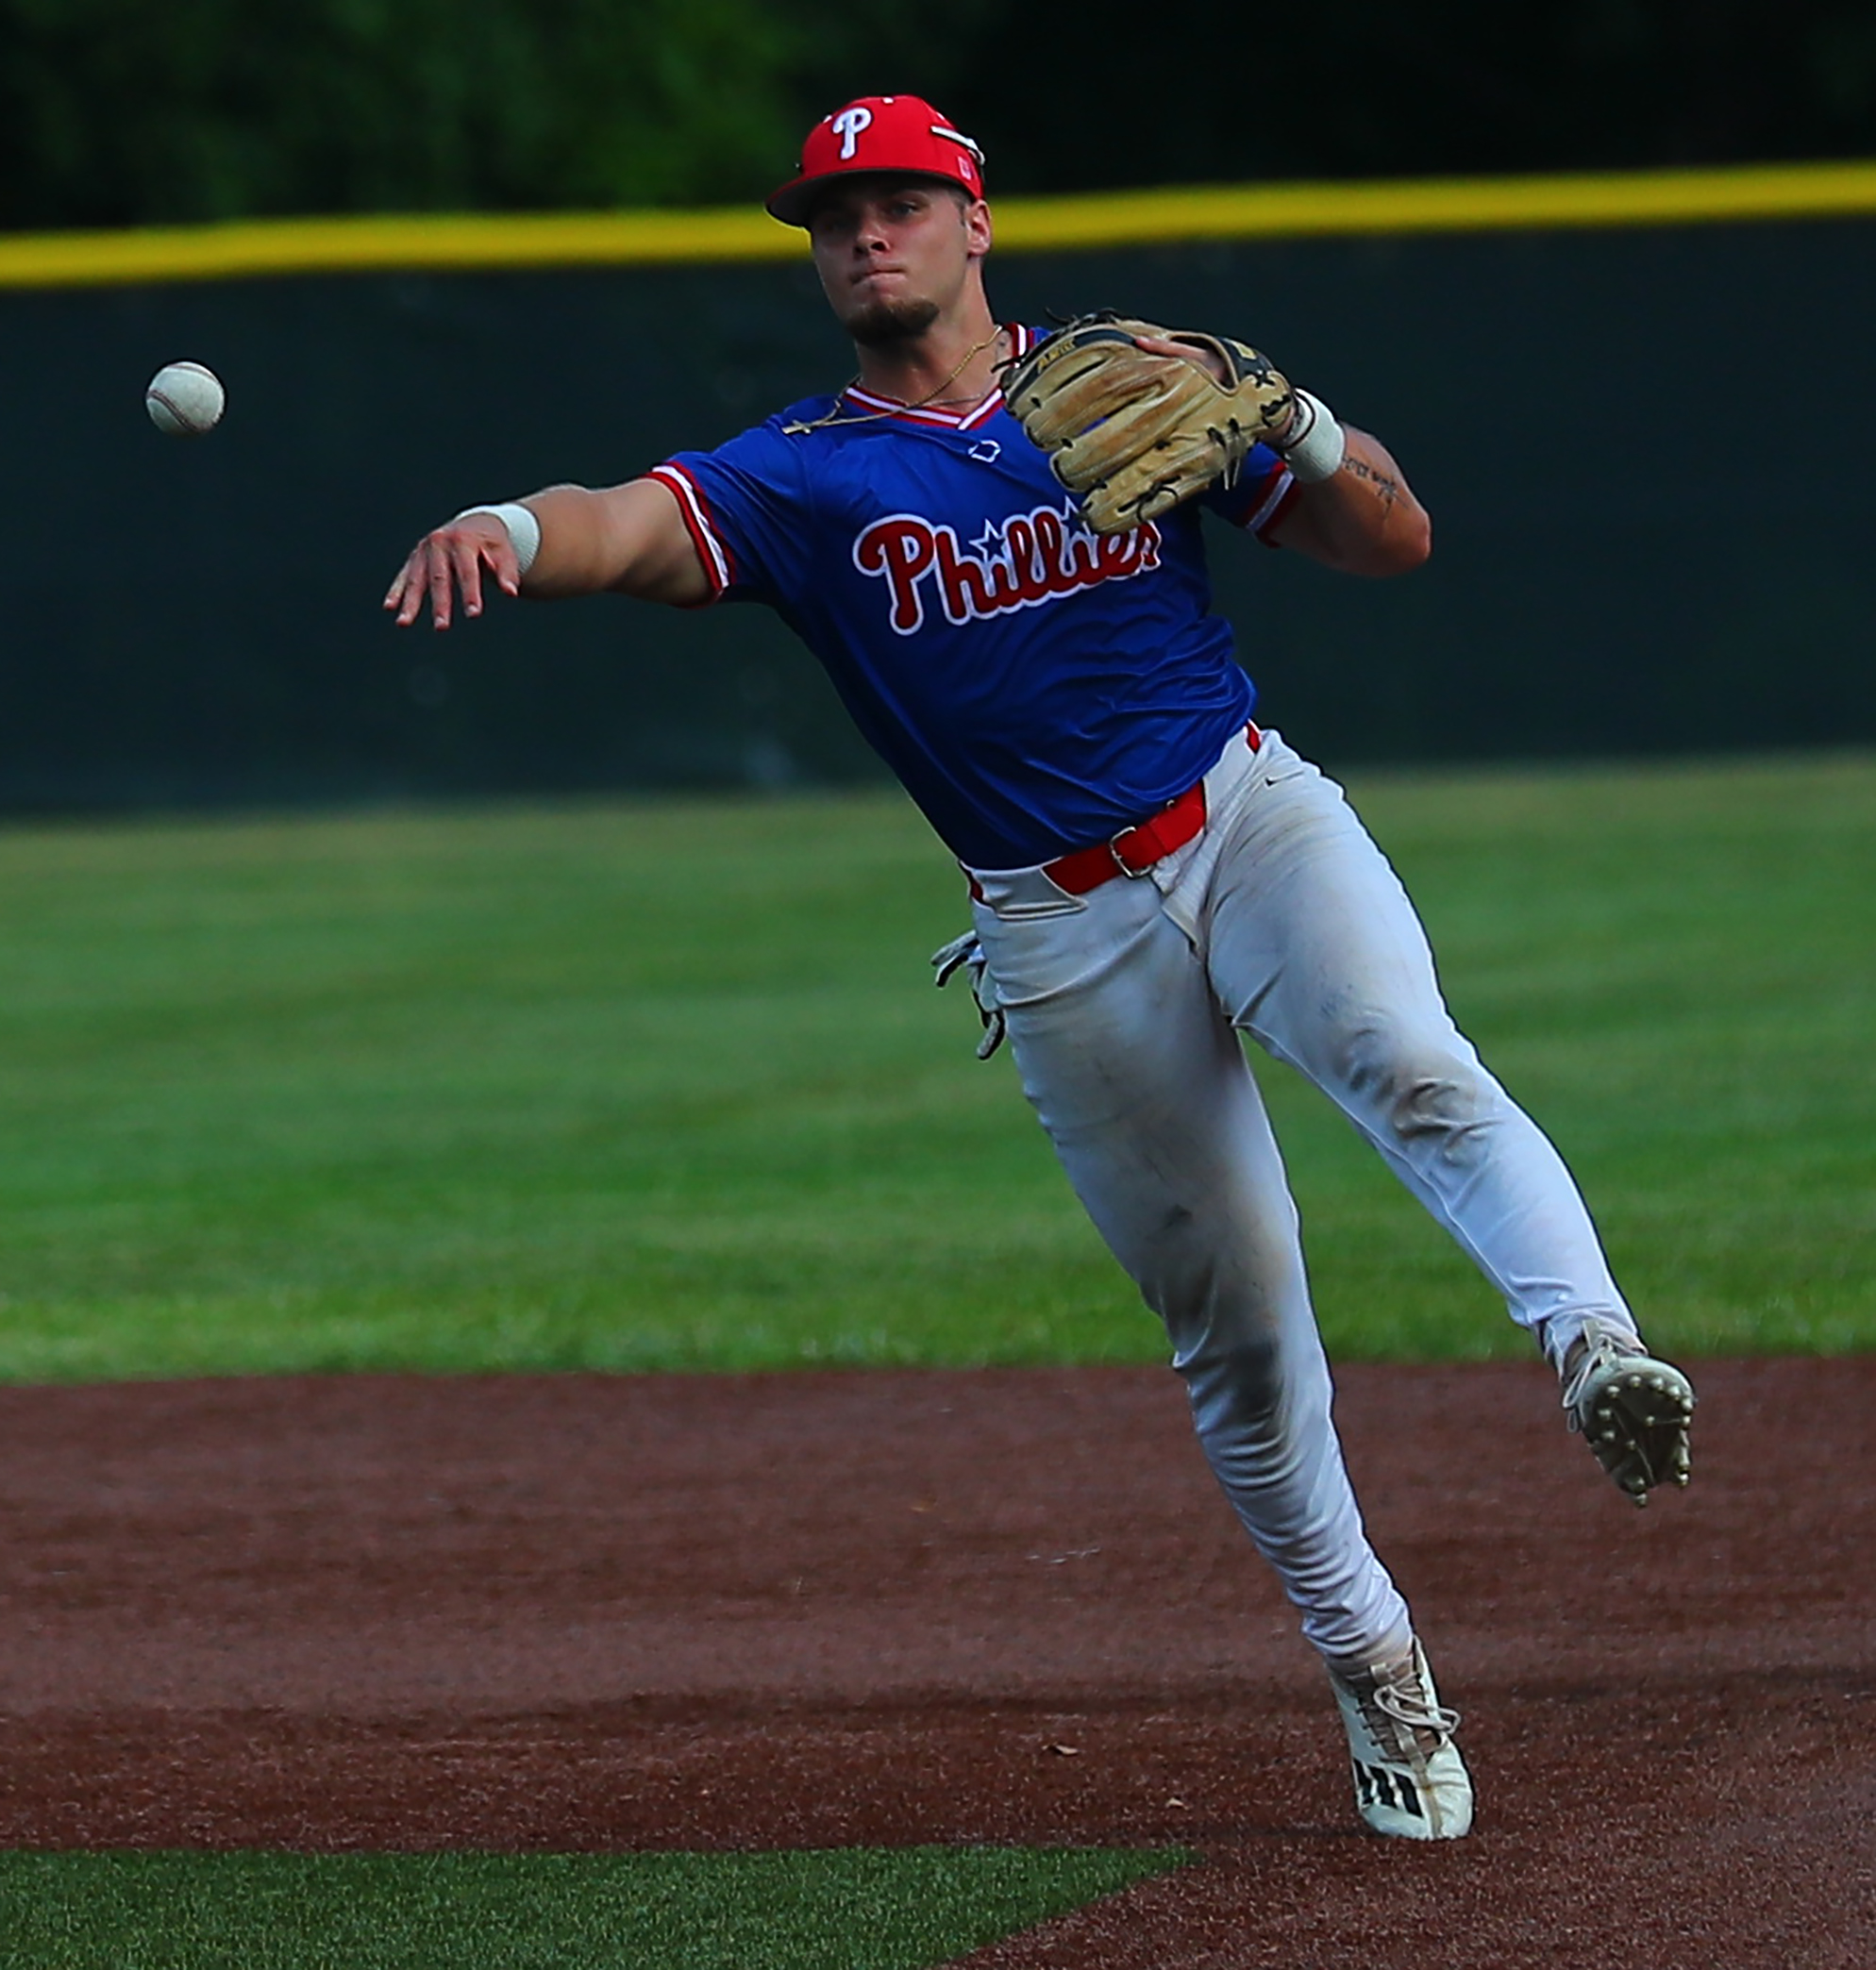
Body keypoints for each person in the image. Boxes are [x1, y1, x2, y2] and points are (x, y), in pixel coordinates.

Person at [385, 93, 1696, 1842]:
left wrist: (1296, 422)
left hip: (1244, 813)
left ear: (976, 222)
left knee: (1409, 1053)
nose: (866, 232)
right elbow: (620, 521)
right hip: (1054, 927)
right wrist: (510, 529)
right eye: (835, 212)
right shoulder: (801, 476)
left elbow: (1395, 537)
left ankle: (1594, 1347)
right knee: (1238, 1319)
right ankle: (1373, 1657)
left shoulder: (1139, 381)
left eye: (902, 201)